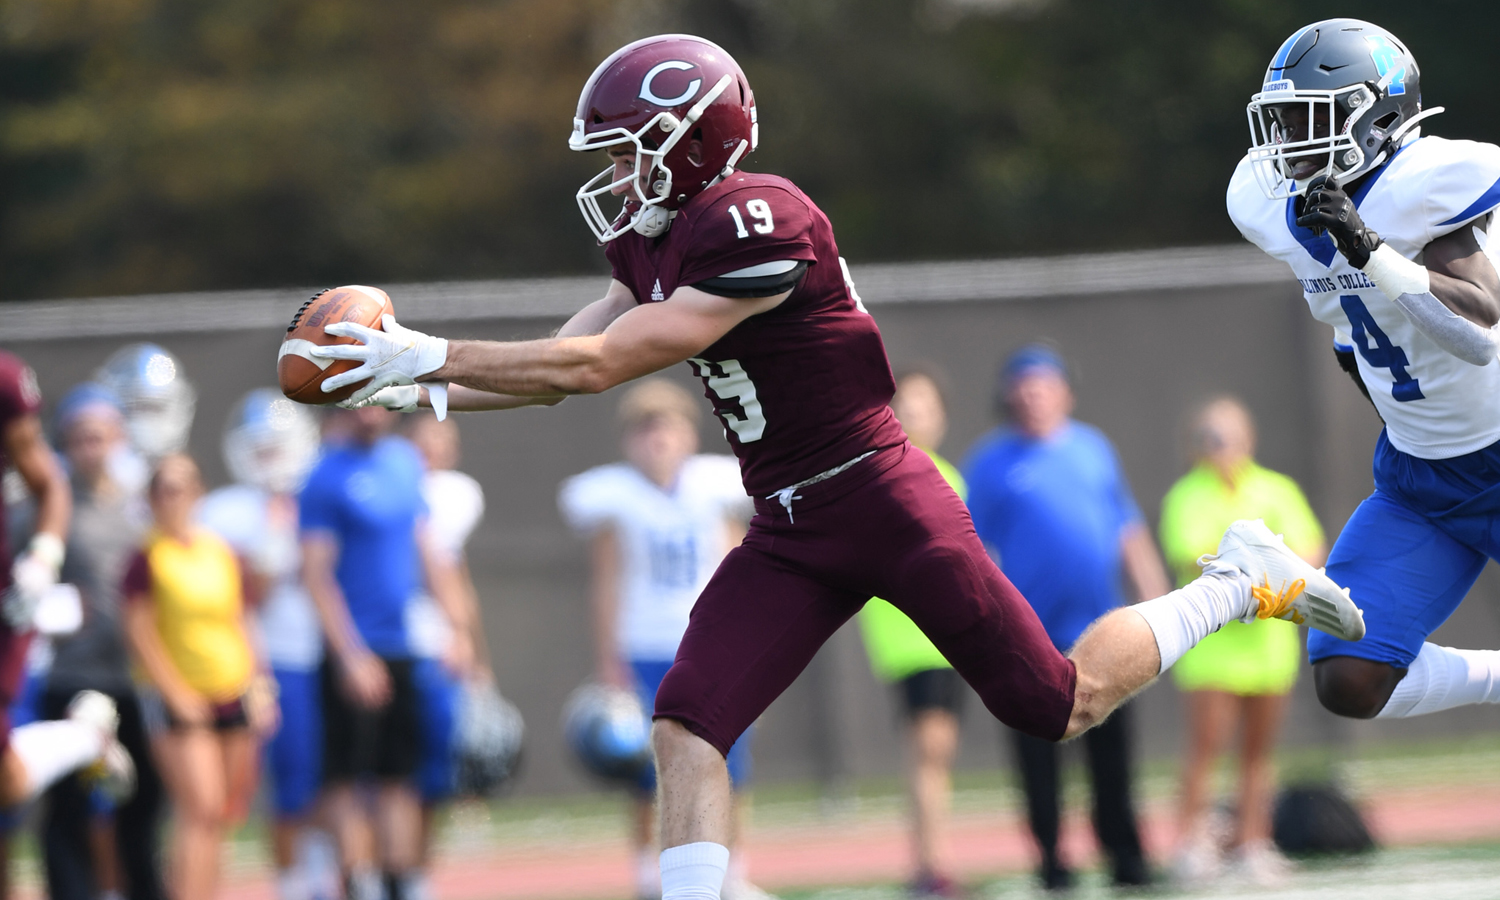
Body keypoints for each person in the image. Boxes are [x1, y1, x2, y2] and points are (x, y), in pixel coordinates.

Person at [309, 34, 1363, 900]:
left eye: (632, 151)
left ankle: (1238, 581)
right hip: (789, 523)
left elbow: (604, 363)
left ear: (689, 142)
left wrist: (428, 352)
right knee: (686, 720)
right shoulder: (656, 238)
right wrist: (407, 387)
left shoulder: (758, 217)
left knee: (1056, 701)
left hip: (883, 495)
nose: (617, 176)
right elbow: (550, 368)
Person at [1229, 19, 1500, 724]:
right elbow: (1355, 339)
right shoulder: (1275, 205)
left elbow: (1477, 330)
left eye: (1306, 120)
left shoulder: (1426, 181)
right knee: (1347, 677)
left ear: (1374, 115)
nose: (1289, 142)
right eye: (1282, 121)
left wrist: (1367, 247)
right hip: (1421, 479)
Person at [963, 345, 1167, 890]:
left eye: (1044, 385)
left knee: (1112, 752)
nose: (1034, 396)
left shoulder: (1094, 449)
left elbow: (1127, 528)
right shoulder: (991, 463)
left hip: (1104, 631)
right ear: (1008, 397)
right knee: (1038, 750)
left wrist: (1156, 601)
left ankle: (1125, 853)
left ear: (1064, 393)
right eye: (1023, 387)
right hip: (1030, 639)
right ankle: (1052, 857)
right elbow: (971, 549)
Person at [558, 378, 758, 900]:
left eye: (668, 426)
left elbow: (737, 563)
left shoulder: (715, 486)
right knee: (645, 769)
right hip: (644, 645)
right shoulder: (614, 498)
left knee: (729, 759)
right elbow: (605, 582)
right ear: (630, 440)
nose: (659, 440)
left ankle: (730, 873)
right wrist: (609, 658)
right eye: (647, 429)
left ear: (690, 434)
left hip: (709, 643)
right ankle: (648, 875)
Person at [299, 406, 474, 900]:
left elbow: (428, 552)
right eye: (360, 400)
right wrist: (350, 654)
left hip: (403, 648)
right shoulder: (323, 475)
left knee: (401, 777)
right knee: (347, 781)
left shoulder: (404, 461)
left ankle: (403, 885)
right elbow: (316, 575)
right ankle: (359, 886)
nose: (371, 410)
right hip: (352, 652)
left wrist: (457, 629)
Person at [1160, 397, 1326, 886]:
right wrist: (1255, 567)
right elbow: (1193, 556)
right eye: (1210, 438)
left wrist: (1271, 568)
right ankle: (1190, 843)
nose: (1220, 447)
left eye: (1229, 436)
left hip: (1268, 646)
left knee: (1259, 752)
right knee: (1205, 747)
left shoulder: (1277, 489)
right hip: (1214, 649)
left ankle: (1254, 841)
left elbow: (1309, 549)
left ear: (1248, 440)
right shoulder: (1187, 495)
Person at [0, 352, 137, 900]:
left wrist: (44, 557)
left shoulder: (5, 379)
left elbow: (48, 483)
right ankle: (83, 737)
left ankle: (86, 737)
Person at [197, 389, 338, 900]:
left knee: (335, 781)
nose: (271, 459)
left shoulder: (321, 494)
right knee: (291, 783)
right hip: (272, 660)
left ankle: (326, 878)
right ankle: (293, 885)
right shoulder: (226, 511)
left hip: (330, 655)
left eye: (278, 447)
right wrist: (276, 544)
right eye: (261, 449)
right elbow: (243, 598)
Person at [122, 453, 275, 900]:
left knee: (224, 812)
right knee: (199, 808)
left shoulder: (219, 551)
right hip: (181, 698)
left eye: (183, 487)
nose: (174, 498)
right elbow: (140, 634)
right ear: (151, 499)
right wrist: (175, 693)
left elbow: (241, 620)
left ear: (198, 493)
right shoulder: (148, 557)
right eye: (164, 489)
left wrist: (259, 685)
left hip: (231, 689)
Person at [39, 383, 167, 900]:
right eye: (81, 438)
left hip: (136, 680)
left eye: (101, 436)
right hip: (72, 677)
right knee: (70, 811)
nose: (92, 447)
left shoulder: (142, 508)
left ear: (119, 438)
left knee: (142, 807)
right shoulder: (48, 507)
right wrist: (54, 605)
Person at [854, 369, 966, 899]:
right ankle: (931, 868)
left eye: (926, 404)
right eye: (907, 405)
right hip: (914, 638)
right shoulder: (887, 471)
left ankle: (928, 862)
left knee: (937, 753)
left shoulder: (948, 473)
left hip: (950, 637)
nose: (916, 414)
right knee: (930, 751)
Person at [403, 412, 490, 900]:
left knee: (432, 773)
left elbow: (454, 575)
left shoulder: (457, 495)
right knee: (387, 775)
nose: (436, 447)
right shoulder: (386, 487)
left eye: (444, 437)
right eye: (425, 437)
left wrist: (471, 645)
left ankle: (415, 878)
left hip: (438, 646)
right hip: (392, 644)